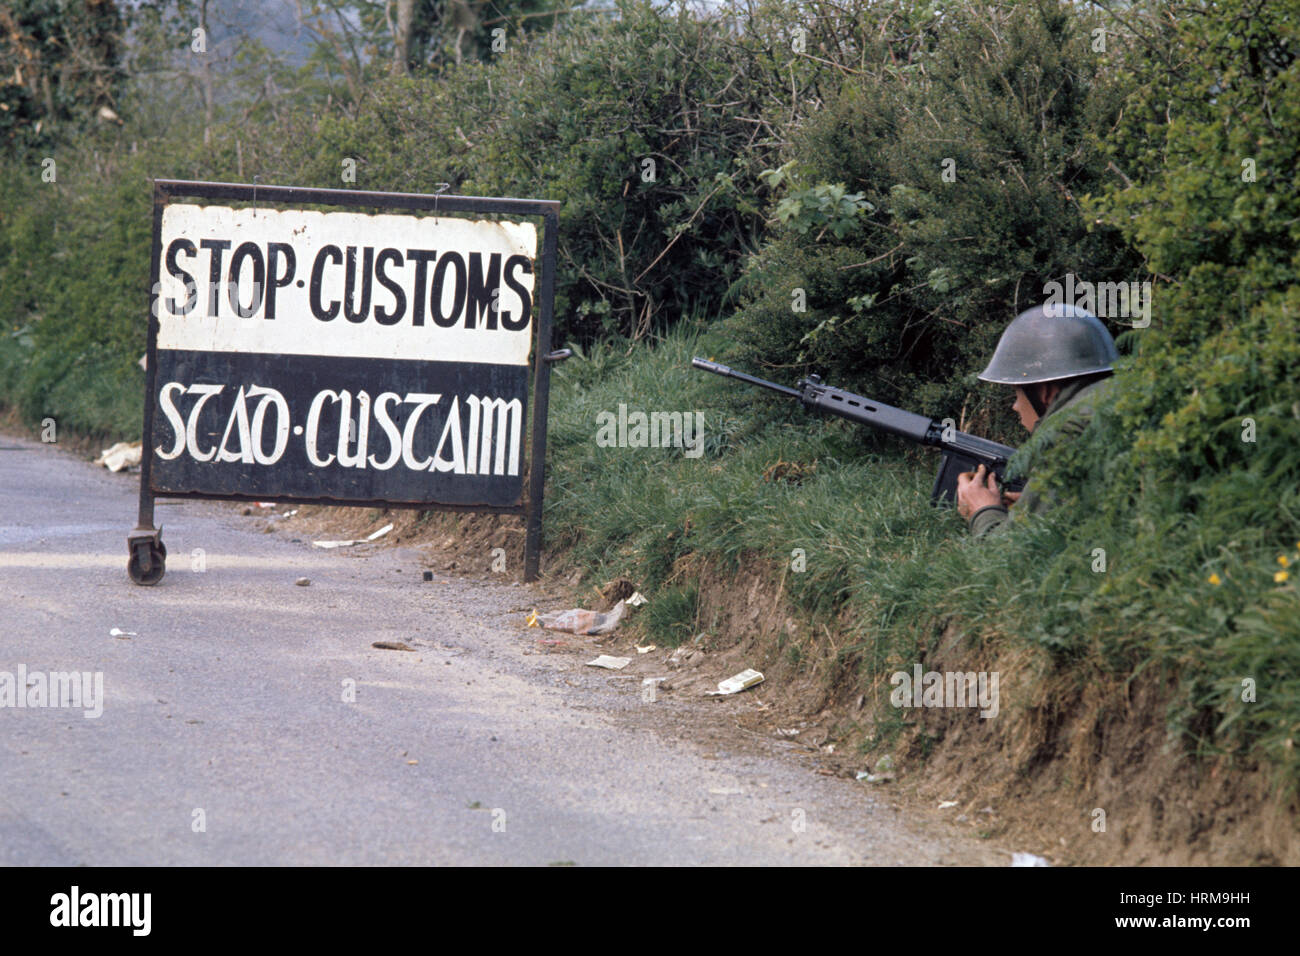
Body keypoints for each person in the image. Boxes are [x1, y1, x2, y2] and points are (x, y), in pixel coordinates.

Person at [956, 303, 1119, 535]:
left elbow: (1012, 552)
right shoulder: (1119, 401)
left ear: (1044, 392)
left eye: (1017, 394)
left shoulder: (1068, 433)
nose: (1014, 407)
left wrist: (982, 510)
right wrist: (1035, 504)